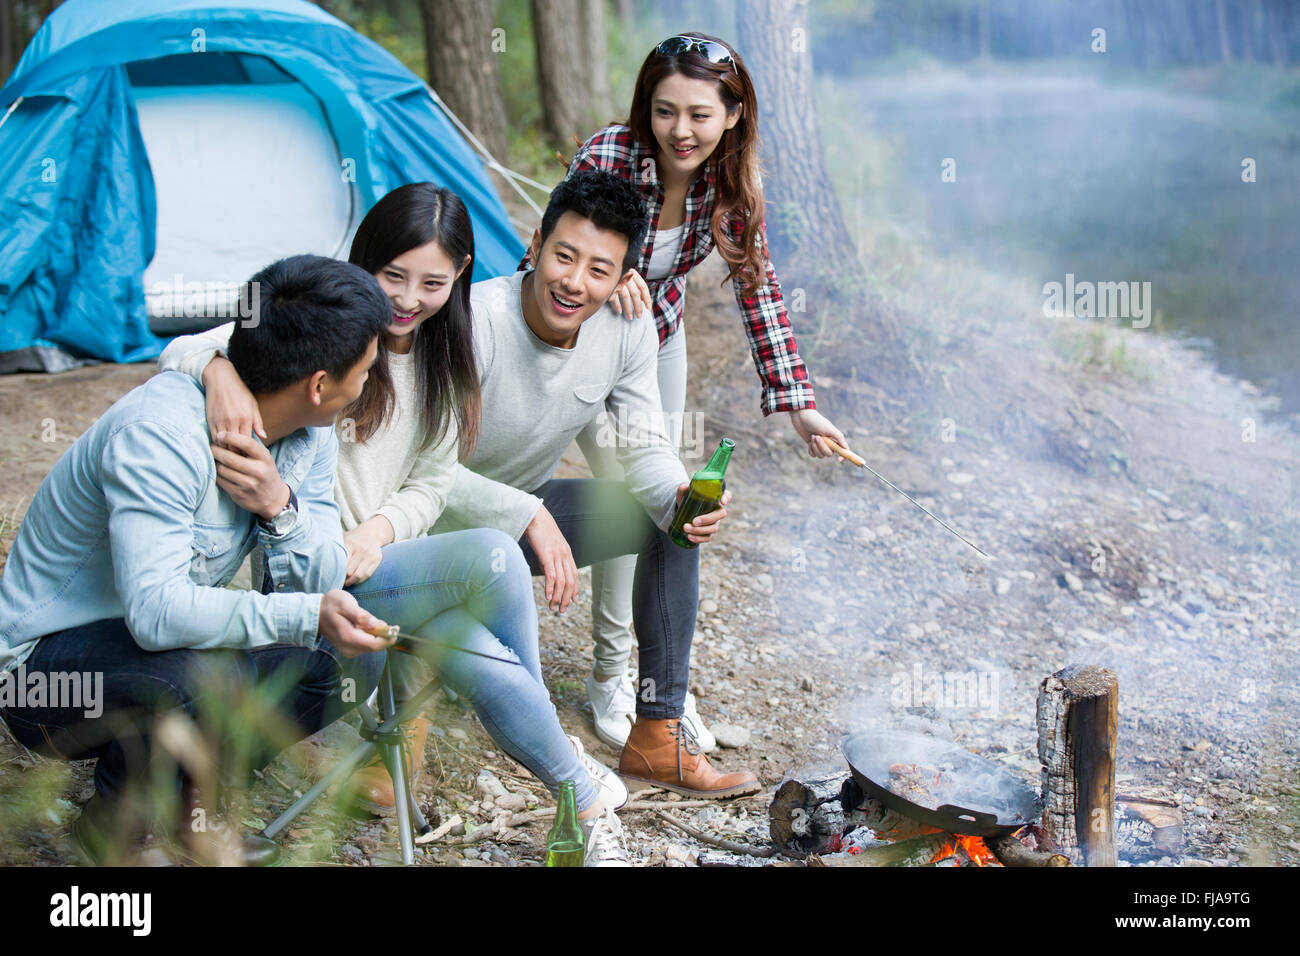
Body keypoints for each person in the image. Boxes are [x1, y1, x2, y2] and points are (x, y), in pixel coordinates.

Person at [159, 184, 631, 865]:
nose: (408, 299)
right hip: (308, 576)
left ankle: (574, 798)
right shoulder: (328, 322)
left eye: (433, 282)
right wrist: (217, 369)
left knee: (473, 643)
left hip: (380, 566)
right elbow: (179, 339)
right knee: (496, 556)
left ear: (460, 275)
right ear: (365, 260)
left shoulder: (445, 356)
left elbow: (431, 483)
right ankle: (576, 783)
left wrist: (376, 532)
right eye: (393, 276)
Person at [0, 255, 395, 865]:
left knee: (340, 668)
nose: (370, 381)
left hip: (154, 648)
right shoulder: (159, 435)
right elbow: (156, 615)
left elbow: (317, 575)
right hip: (43, 673)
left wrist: (279, 507)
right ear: (320, 383)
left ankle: (186, 799)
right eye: (366, 369)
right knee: (188, 678)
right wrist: (303, 613)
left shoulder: (311, 433)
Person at [520, 33, 854, 750]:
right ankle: (613, 678)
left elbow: (756, 288)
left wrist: (797, 402)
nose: (680, 130)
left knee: (664, 499)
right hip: (582, 338)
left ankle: (654, 685)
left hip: (653, 343)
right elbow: (544, 250)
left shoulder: (733, 184)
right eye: (665, 111)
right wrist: (609, 270)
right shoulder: (610, 152)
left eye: (699, 114)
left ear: (733, 114)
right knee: (624, 505)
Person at [431, 169, 760, 799]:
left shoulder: (626, 326)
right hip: (431, 524)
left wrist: (676, 497)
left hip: (524, 519)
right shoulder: (474, 321)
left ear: (624, 278)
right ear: (535, 243)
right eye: (564, 256)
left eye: (599, 269)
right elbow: (425, 472)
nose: (574, 283)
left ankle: (656, 735)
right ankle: (394, 732)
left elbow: (644, 445)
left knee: (671, 524)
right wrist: (526, 510)